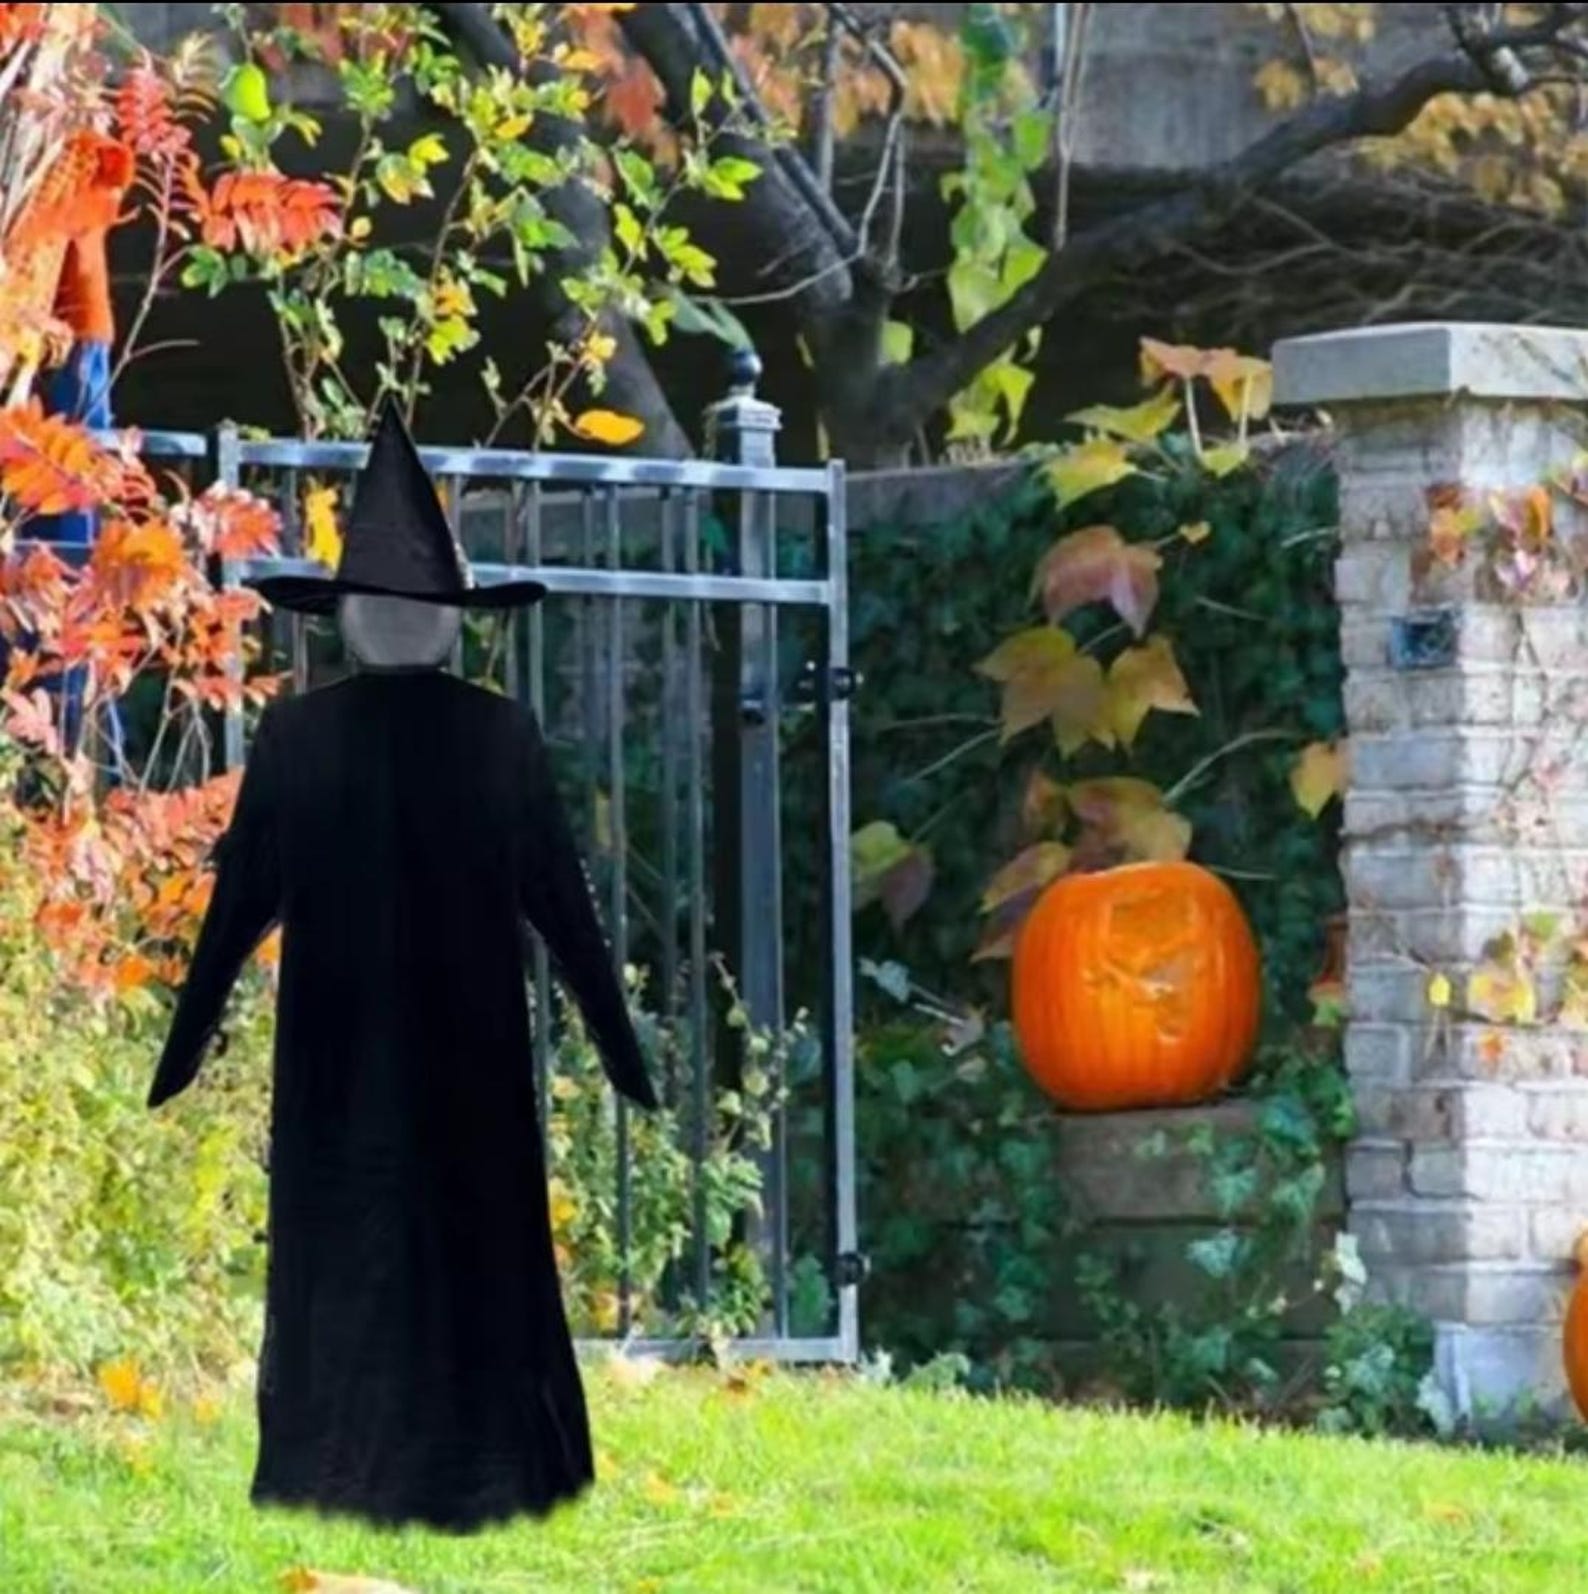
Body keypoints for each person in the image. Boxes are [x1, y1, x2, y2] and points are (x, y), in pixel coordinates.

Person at [147, 397, 661, 1533]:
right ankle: (477, 1464)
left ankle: (341, 1459)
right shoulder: (497, 735)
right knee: (471, 1228)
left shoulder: (302, 737)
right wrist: (622, 1050)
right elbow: (564, 911)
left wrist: (183, 1048)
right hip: (465, 1042)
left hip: (339, 1049)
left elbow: (237, 912)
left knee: (351, 1235)